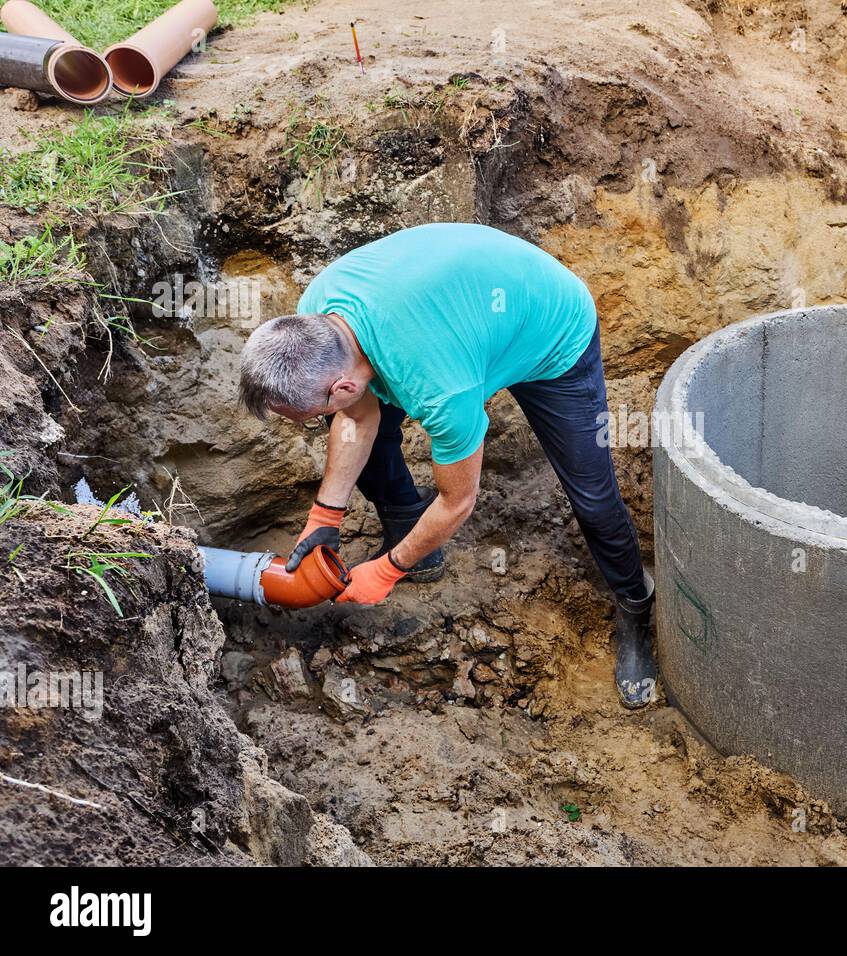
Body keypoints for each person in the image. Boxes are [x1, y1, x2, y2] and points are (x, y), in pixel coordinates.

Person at [237, 223, 657, 708]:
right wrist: (325, 517)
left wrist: (389, 570)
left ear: (342, 388)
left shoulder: (441, 390)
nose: (319, 423)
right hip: (462, 315)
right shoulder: (318, 314)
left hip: (548, 330)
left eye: (314, 418)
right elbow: (358, 419)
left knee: (592, 496)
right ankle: (414, 538)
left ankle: (635, 602)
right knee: (370, 446)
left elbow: (458, 502)